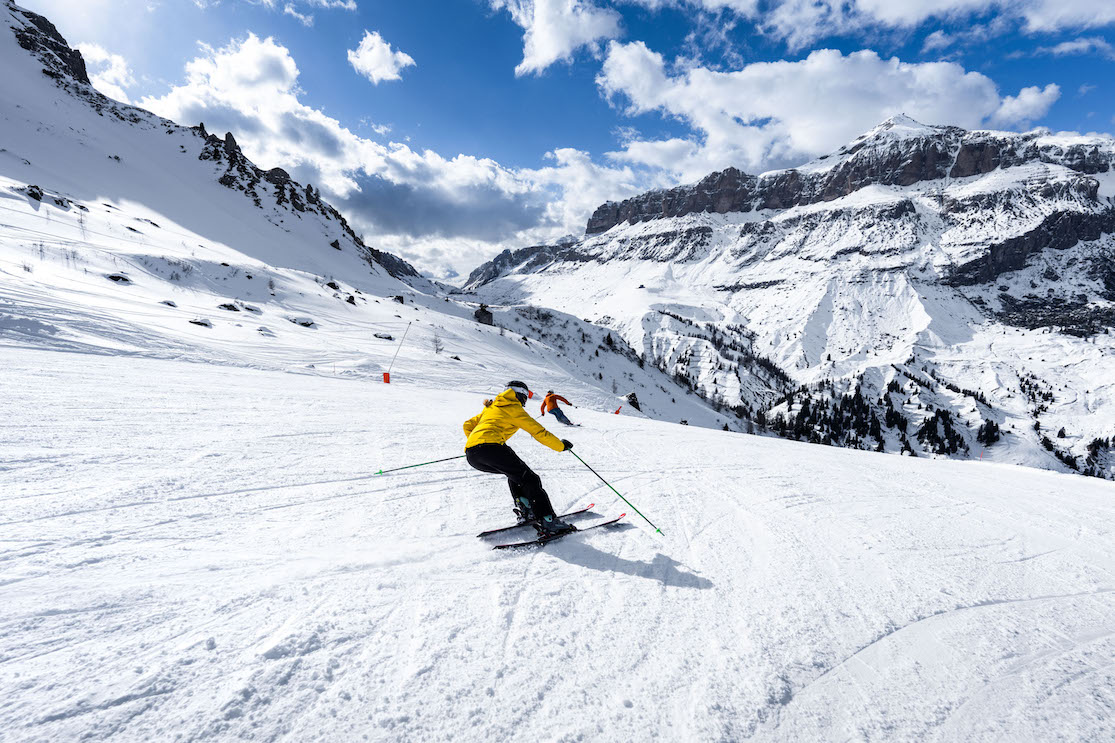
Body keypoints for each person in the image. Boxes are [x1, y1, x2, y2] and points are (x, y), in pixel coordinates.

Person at [463, 380, 576, 537]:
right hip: (491, 448)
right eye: (526, 396)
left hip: (472, 454)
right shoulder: (514, 408)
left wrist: (477, 443)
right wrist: (561, 446)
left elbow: (467, 425)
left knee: (516, 475)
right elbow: (538, 432)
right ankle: (548, 522)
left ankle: (527, 510)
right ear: (521, 395)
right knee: (530, 479)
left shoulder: (492, 407)